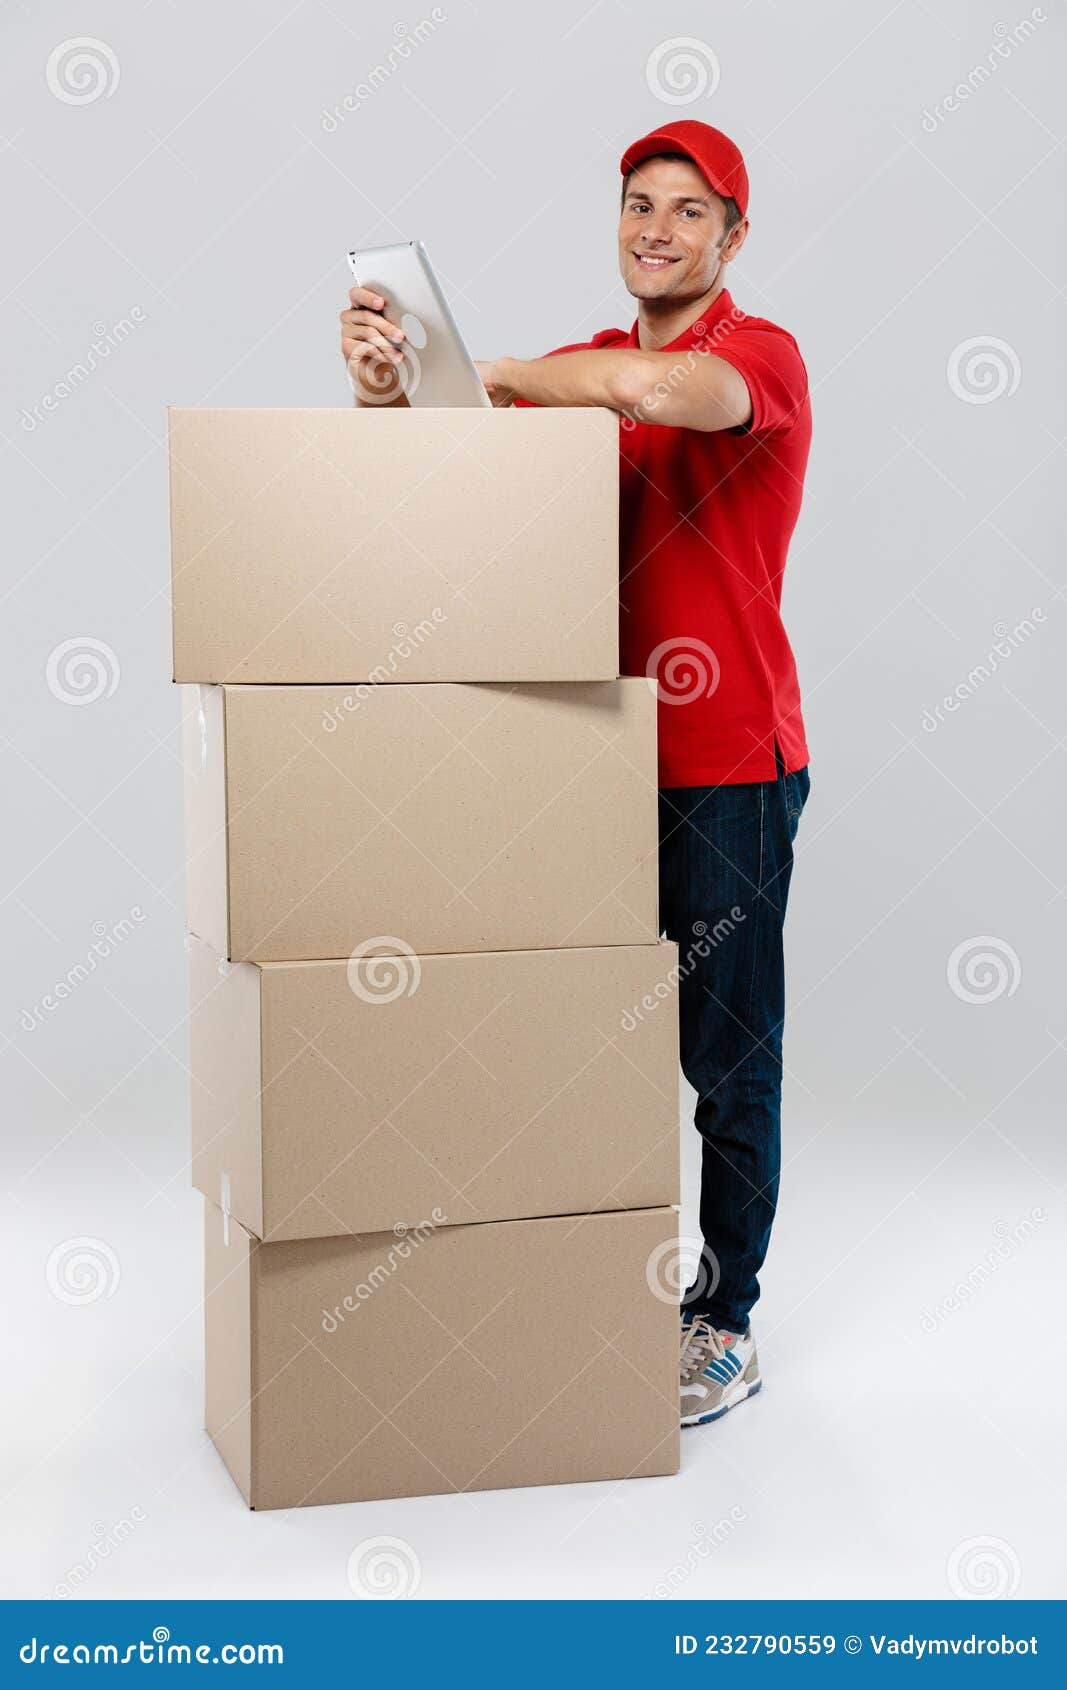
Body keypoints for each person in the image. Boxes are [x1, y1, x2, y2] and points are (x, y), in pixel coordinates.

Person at [339, 120, 811, 1428]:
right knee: (573, 1042)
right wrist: (393, 383)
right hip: (585, 764)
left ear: (731, 237)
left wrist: (494, 368)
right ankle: (580, 1277)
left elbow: (673, 398)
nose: (654, 227)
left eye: (686, 209)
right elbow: (456, 453)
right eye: (635, 205)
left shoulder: (753, 355)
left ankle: (724, 1319)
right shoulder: (586, 364)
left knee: (727, 1056)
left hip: (728, 769)